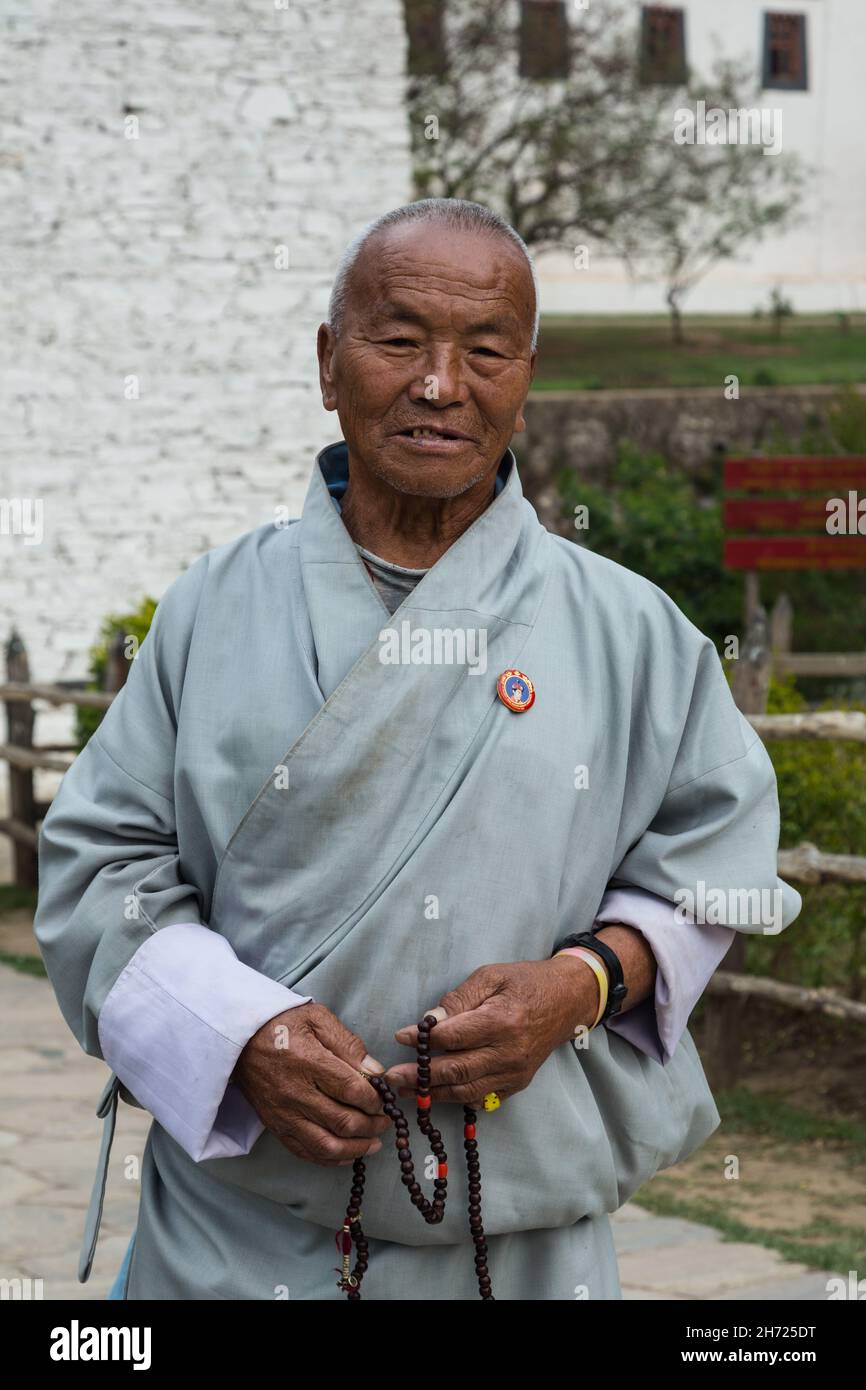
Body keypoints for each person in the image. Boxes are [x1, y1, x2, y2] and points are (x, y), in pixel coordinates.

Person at [34, 198, 800, 1301]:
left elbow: (714, 874)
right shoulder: (212, 607)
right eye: (398, 340)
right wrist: (237, 1032)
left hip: (520, 1247)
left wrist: (579, 984)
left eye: (485, 351)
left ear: (525, 378)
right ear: (327, 361)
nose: (440, 385)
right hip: (234, 1243)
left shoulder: (630, 633)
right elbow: (100, 871)